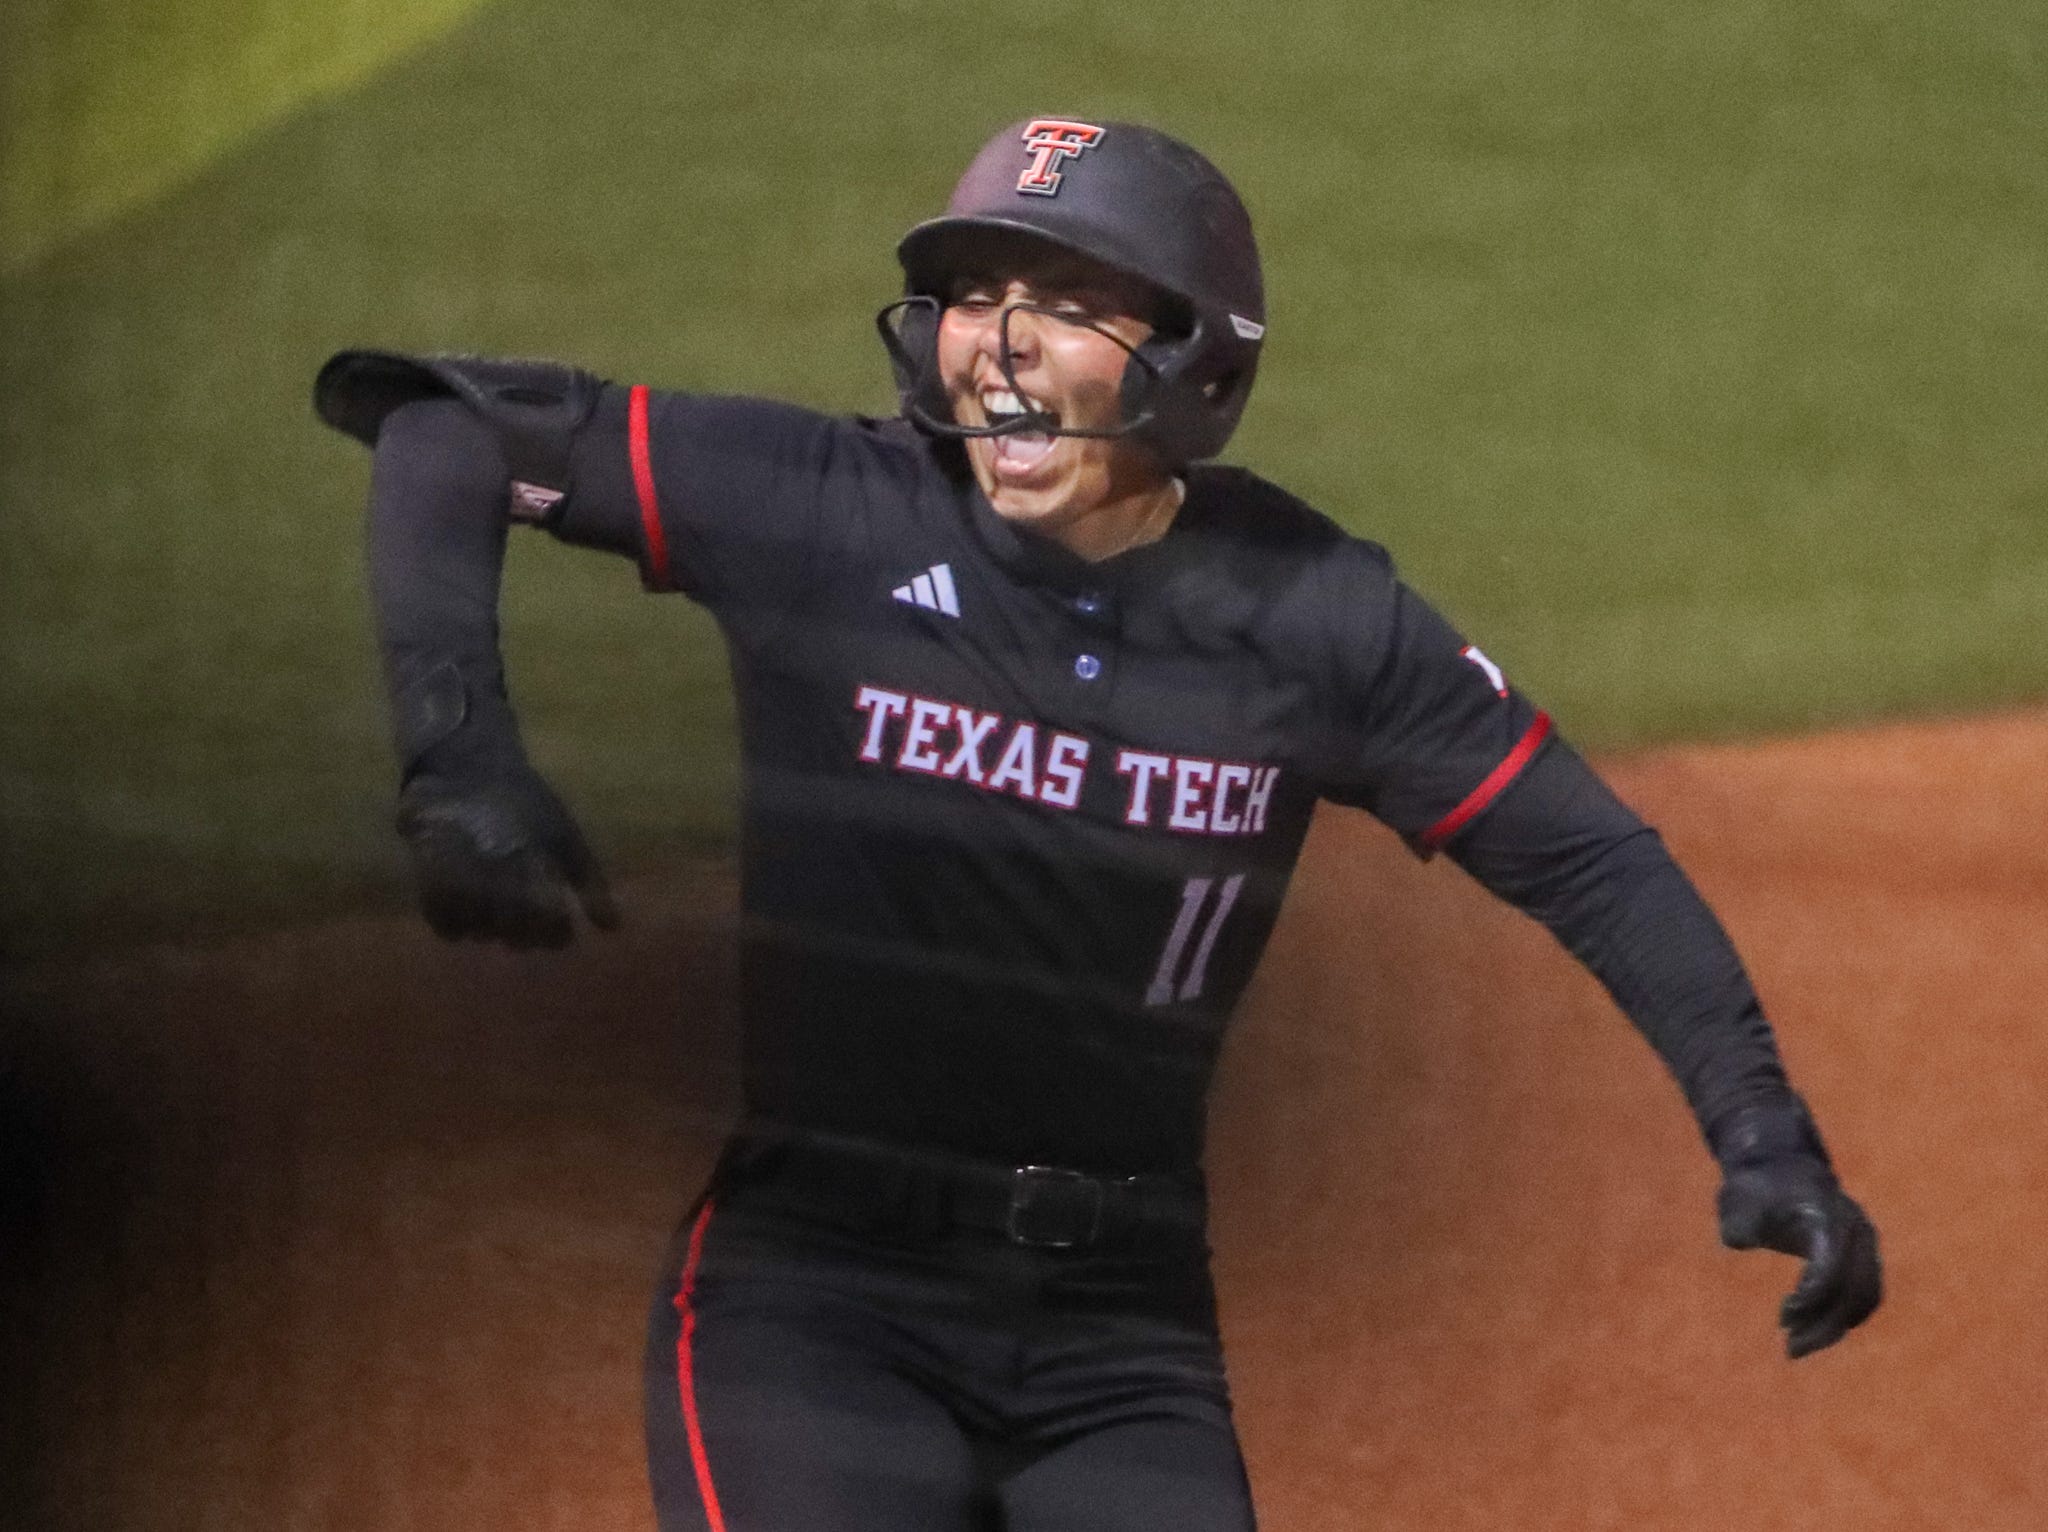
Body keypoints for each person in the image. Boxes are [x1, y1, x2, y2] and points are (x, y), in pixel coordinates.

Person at [315, 116, 1881, 1531]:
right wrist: (460, 760)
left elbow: (1590, 857)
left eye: (1064, 303)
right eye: (978, 297)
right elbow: (441, 426)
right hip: (818, 1307)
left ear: (1194, 359)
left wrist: (1761, 1130)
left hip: (1124, 1342)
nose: (999, 349)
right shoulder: (827, 512)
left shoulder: (1319, 616)